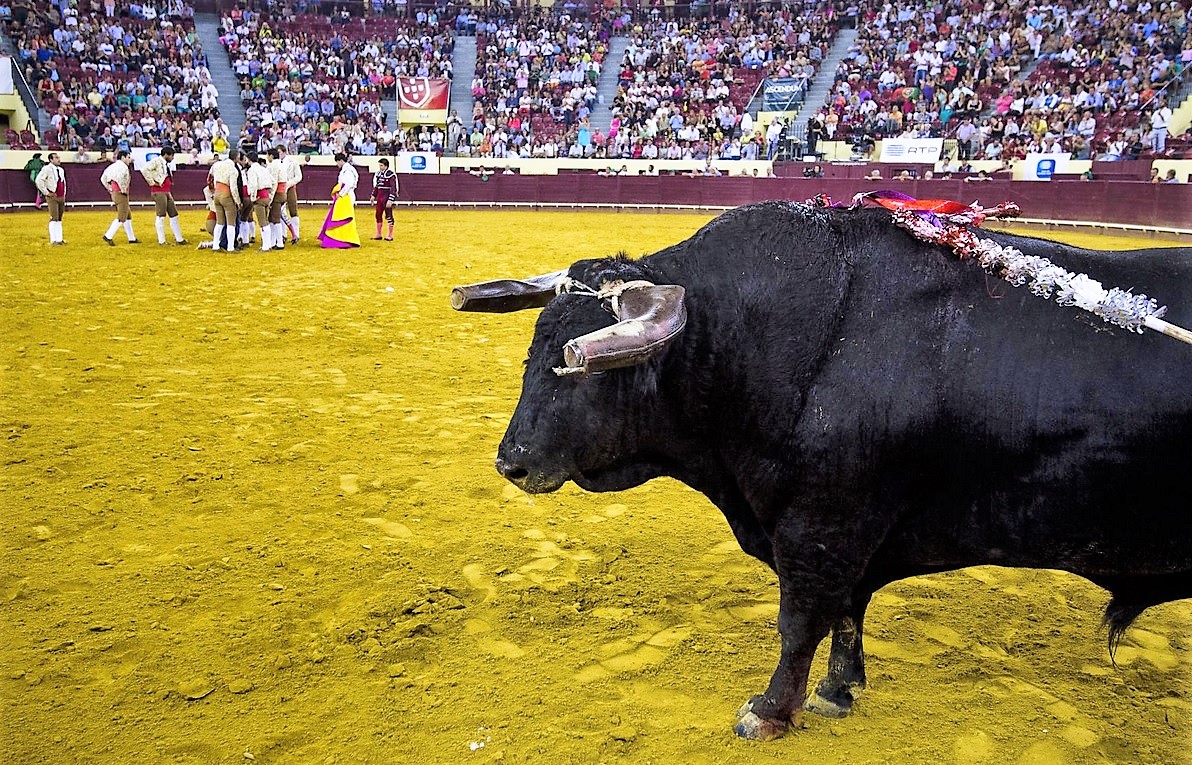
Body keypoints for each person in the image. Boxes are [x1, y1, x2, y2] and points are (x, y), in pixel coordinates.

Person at [141, 147, 188, 245]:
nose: (172, 158)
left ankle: (179, 239)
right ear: (166, 154)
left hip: (166, 191)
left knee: (174, 215)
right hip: (158, 191)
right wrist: (152, 182)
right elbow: (144, 170)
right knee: (161, 215)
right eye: (172, 156)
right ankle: (161, 241)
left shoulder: (165, 163)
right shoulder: (156, 161)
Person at [319, 153, 360, 248]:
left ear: (341, 161)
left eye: (337, 162)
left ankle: (345, 239)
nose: (337, 164)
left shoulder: (348, 170)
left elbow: (349, 184)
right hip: (345, 195)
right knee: (341, 216)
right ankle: (344, 238)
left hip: (346, 196)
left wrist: (340, 194)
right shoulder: (347, 169)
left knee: (343, 217)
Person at [100, 150, 139, 245]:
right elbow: (120, 178)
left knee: (127, 215)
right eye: (128, 157)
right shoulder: (123, 167)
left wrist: (109, 188)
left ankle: (131, 238)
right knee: (122, 217)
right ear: (123, 157)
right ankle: (108, 235)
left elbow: (103, 178)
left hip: (115, 192)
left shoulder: (111, 166)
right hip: (120, 193)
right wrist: (123, 189)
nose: (130, 159)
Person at [208, 149, 242, 253]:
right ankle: (230, 247)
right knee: (231, 223)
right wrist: (238, 202)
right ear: (236, 158)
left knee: (220, 222)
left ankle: (215, 246)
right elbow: (233, 188)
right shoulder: (233, 170)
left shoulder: (217, 165)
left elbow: (211, 177)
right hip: (226, 195)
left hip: (217, 194)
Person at [244, 153, 275, 251]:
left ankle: (266, 246)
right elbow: (273, 182)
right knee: (265, 221)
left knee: (262, 222)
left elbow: (253, 185)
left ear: (249, 160)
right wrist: (271, 195)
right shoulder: (264, 169)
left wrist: (253, 198)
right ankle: (268, 245)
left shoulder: (252, 170)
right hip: (266, 197)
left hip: (259, 197)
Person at [35, 152, 67, 245]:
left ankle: (59, 239)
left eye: (58, 157)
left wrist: (64, 193)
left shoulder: (61, 170)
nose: (58, 159)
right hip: (52, 196)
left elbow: (63, 182)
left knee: (59, 218)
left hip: (61, 196)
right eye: (56, 158)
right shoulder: (47, 169)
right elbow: (38, 180)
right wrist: (46, 192)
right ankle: (53, 240)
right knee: (54, 218)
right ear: (51, 160)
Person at [279, 144, 303, 244]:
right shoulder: (275, 162)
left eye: (280, 152)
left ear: (284, 152)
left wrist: (289, 183)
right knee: (279, 211)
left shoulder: (293, 162)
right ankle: (283, 234)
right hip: (279, 188)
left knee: (293, 211)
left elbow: (299, 176)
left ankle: (296, 235)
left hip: (290, 187)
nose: (278, 154)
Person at [370, 158, 397, 241]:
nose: (380, 167)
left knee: (389, 215)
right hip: (380, 197)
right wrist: (373, 196)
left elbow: (393, 188)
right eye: (379, 165)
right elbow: (377, 186)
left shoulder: (390, 174)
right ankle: (378, 234)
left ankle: (390, 235)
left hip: (386, 197)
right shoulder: (379, 174)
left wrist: (390, 200)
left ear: (386, 166)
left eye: (381, 165)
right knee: (378, 214)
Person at [266, 148, 288, 251]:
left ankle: (279, 243)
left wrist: (270, 197)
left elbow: (274, 183)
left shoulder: (273, 166)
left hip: (277, 194)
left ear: (271, 156)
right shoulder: (282, 164)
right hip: (282, 193)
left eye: (267, 155)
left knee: (275, 218)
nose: (267, 157)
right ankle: (273, 241)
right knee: (272, 218)